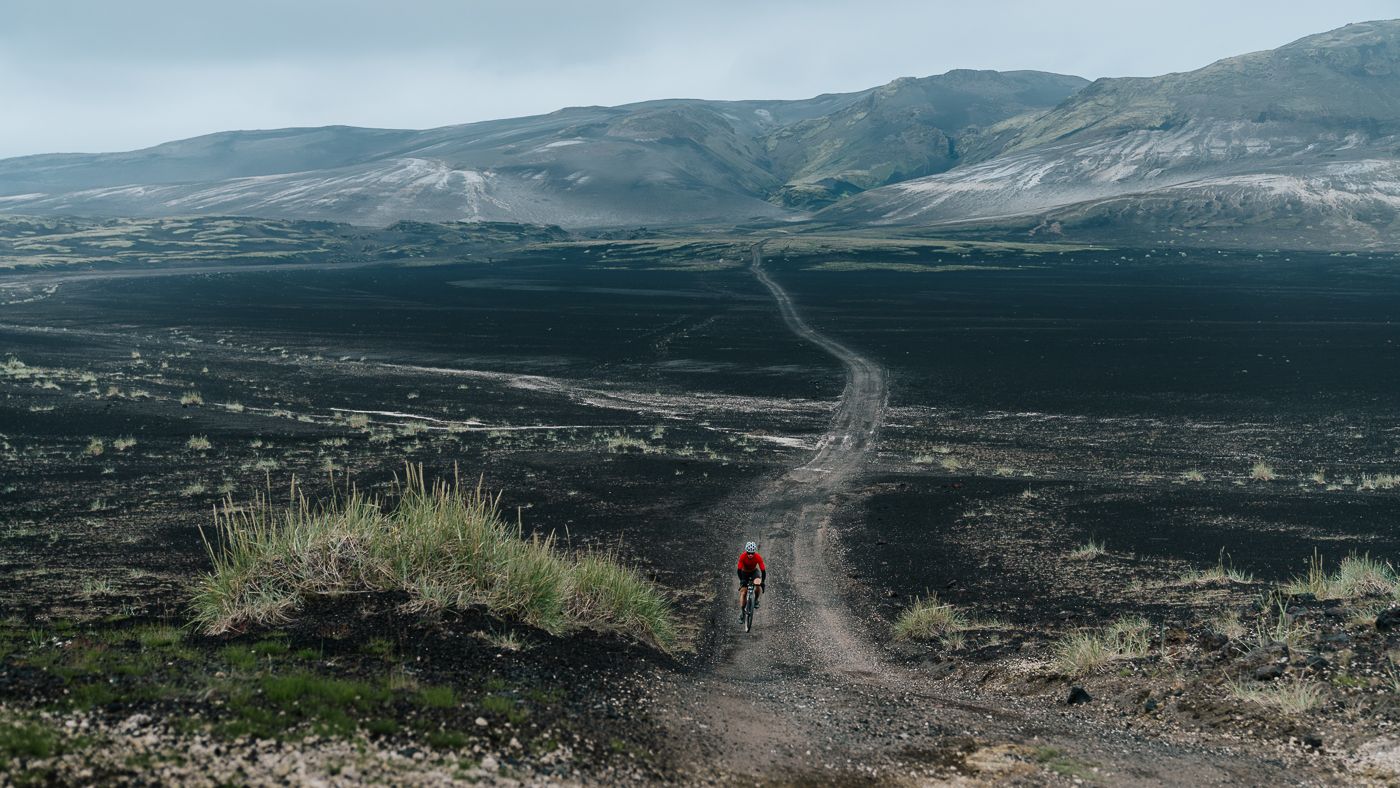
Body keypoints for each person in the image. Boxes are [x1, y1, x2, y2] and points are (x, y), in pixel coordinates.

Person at [736, 541, 766, 623]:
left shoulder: (758, 557)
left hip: (754, 572)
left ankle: (755, 600)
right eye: (749, 553)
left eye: (752, 553)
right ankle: (742, 613)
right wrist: (741, 580)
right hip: (744, 573)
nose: (750, 555)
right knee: (743, 592)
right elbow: (738, 570)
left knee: (757, 583)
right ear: (746, 552)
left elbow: (763, 570)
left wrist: (762, 582)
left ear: (754, 552)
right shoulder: (742, 556)